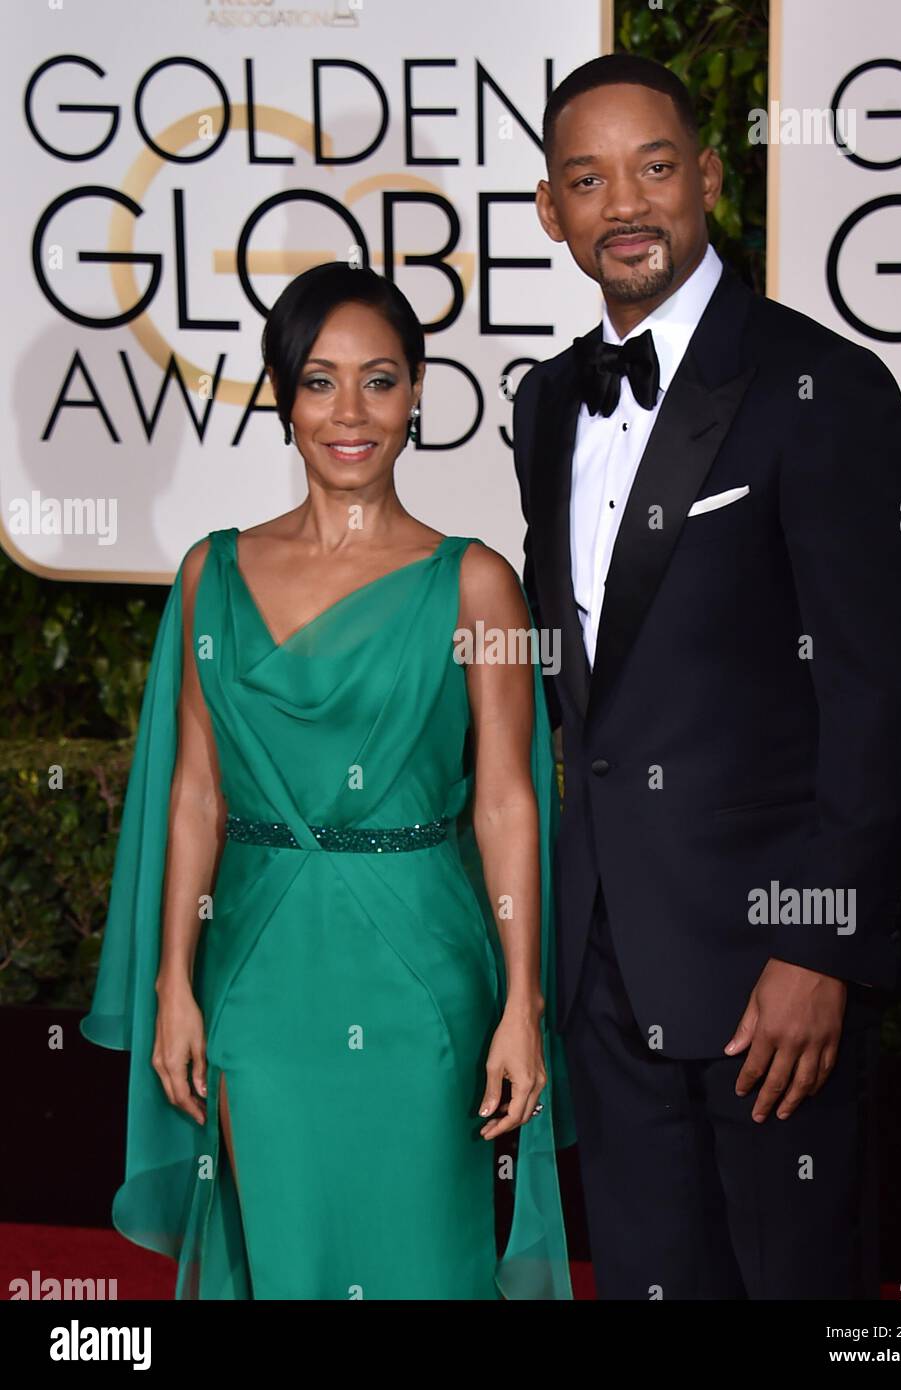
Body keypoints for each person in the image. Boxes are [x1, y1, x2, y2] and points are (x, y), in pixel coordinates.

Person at [511, 51, 901, 1300]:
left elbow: (882, 691)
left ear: (709, 175)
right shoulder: (546, 405)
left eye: (655, 167)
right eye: (588, 180)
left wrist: (824, 946)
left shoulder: (824, 389)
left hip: (774, 982)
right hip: (605, 972)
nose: (627, 205)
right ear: (552, 211)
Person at [81, 262, 574, 1300]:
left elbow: (506, 803)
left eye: (381, 380)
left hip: (418, 977)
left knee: (419, 1263)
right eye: (319, 381)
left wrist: (523, 1000)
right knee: (277, 1258)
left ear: (420, 392)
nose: (351, 413)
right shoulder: (210, 573)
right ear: (279, 396)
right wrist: (174, 979)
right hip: (256, 975)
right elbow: (195, 797)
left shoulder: (475, 579)